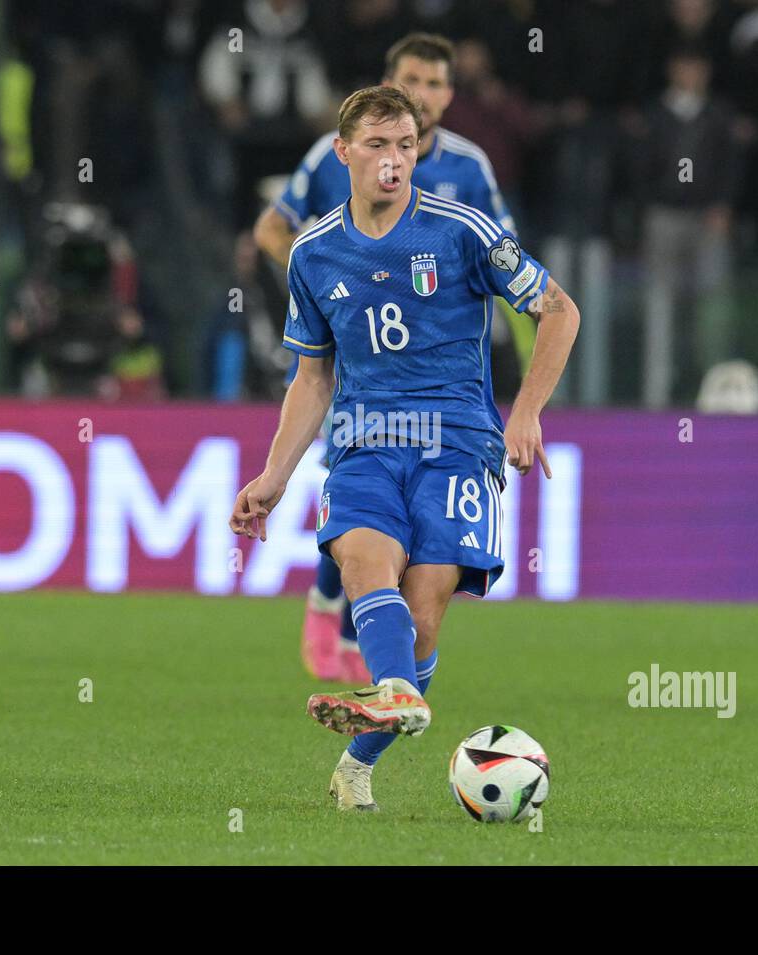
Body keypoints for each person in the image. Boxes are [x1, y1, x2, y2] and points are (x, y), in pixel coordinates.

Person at [229, 86, 579, 811]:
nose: (395, 162)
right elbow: (313, 375)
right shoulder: (314, 252)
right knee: (363, 560)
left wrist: (528, 412)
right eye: (380, 146)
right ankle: (392, 694)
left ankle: (360, 756)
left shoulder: (462, 230)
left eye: (407, 146)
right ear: (344, 152)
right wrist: (274, 473)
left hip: (459, 443)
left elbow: (559, 309)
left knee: (423, 616)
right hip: (364, 441)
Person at [252, 33, 517, 684]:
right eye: (410, 80)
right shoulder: (334, 153)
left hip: (436, 375)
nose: (420, 95)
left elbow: (506, 253)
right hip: (346, 351)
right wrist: (332, 289)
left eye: (432, 84)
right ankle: (333, 611)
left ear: (449, 96)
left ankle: (360, 636)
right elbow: (270, 226)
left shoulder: (468, 169)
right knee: (355, 482)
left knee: (390, 512)